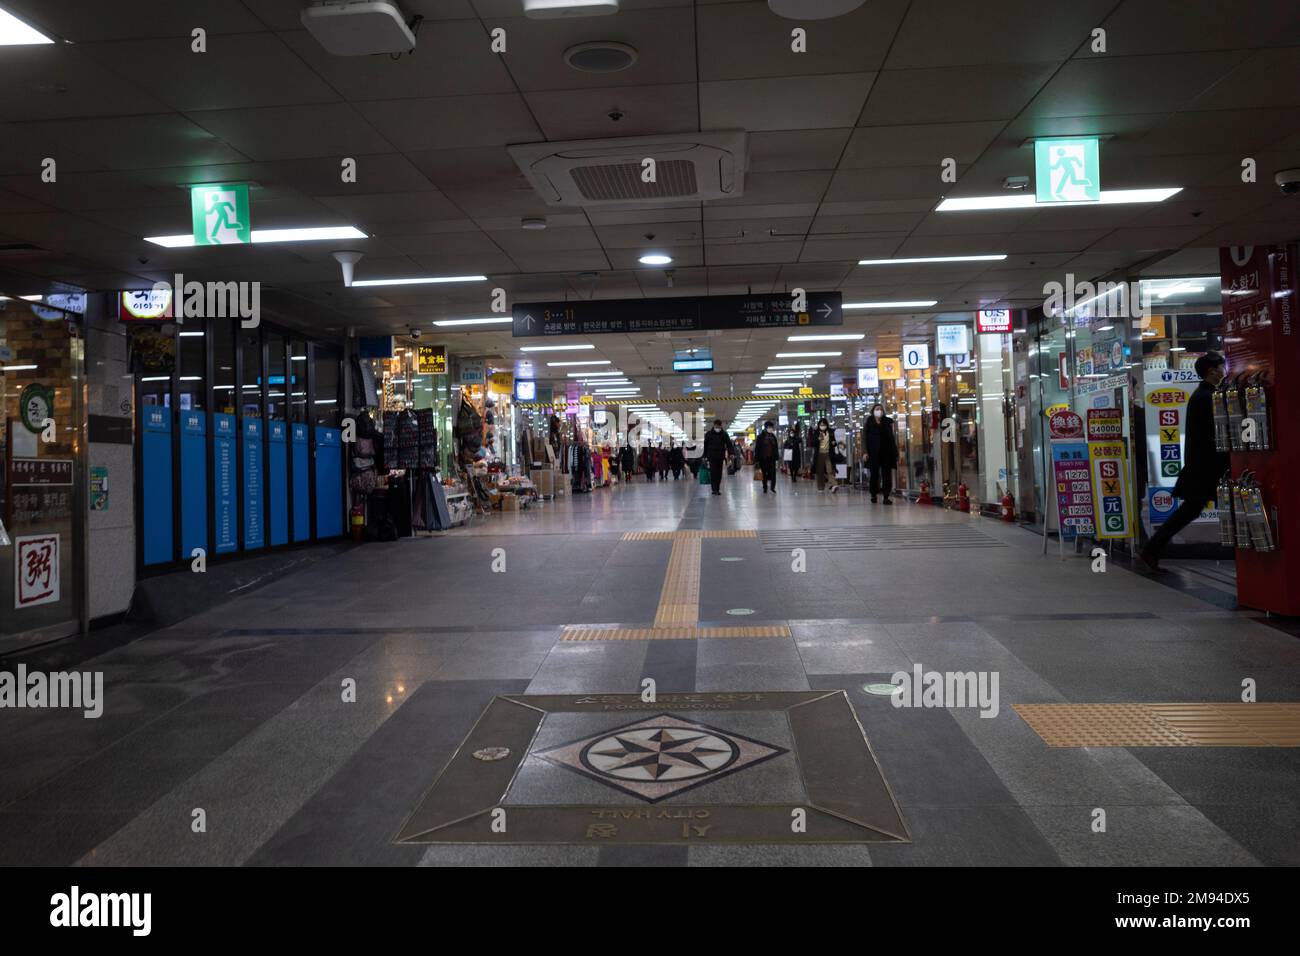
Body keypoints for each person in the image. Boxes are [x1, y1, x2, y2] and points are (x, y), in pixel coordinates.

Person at [1135, 352, 1229, 573]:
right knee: (1192, 510)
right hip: (1208, 467)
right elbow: (1213, 433)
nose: (1224, 370)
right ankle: (1150, 550)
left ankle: (1151, 551)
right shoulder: (1206, 397)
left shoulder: (1202, 394)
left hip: (1203, 466)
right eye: (1221, 366)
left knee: (1190, 510)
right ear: (1212, 371)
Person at [863, 403, 898, 505]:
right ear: (873, 411)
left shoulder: (887, 422)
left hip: (886, 451)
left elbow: (892, 438)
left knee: (886, 474)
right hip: (873, 452)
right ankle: (873, 494)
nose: (879, 411)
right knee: (874, 474)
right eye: (877, 409)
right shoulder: (869, 422)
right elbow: (864, 438)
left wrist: (895, 452)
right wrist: (865, 452)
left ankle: (886, 496)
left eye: (881, 409)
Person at [702, 418, 735, 496]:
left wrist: (731, 453)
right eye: (716, 426)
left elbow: (729, 444)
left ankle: (717, 488)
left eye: (719, 427)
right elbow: (705, 446)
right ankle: (714, 489)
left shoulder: (724, 434)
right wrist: (704, 456)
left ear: (721, 426)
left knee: (719, 473)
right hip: (711, 456)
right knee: (713, 472)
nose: (717, 428)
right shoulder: (709, 434)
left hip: (720, 456)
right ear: (714, 425)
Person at [812, 418, 837, 493]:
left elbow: (834, 442)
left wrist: (834, 443)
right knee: (820, 471)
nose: (822, 426)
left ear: (827, 425)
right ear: (819, 425)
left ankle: (834, 484)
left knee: (829, 470)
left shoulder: (830, 432)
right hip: (819, 454)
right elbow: (813, 443)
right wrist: (818, 439)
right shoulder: (816, 433)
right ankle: (820, 487)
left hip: (828, 454)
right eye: (821, 425)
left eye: (824, 424)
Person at [755, 420, 779, 494]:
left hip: (772, 458)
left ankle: (772, 487)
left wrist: (777, 456)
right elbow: (757, 448)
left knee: (773, 473)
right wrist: (757, 459)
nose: (771, 429)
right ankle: (765, 487)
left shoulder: (773, 437)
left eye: (771, 427)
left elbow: (776, 448)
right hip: (763, 459)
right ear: (765, 428)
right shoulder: (760, 437)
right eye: (769, 427)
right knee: (764, 474)